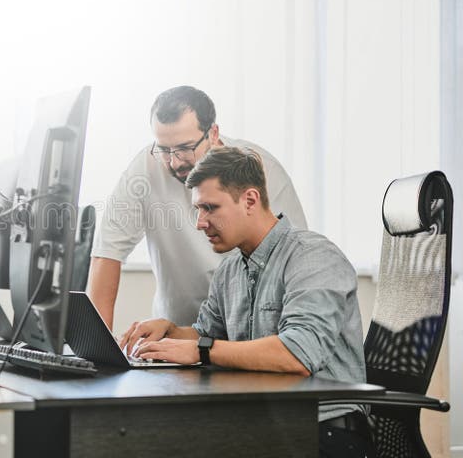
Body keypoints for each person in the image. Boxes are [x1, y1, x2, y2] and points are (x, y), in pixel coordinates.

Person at [119, 146, 372, 458]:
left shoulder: (313, 257)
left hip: (324, 431)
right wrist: (170, 331)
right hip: (268, 422)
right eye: (198, 209)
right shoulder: (231, 267)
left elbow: (298, 354)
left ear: (250, 200)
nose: (200, 222)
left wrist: (200, 349)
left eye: (210, 208)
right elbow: (207, 333)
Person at [88, 86, 307, 330]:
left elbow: (295, 259)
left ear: (213, 133)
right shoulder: (145, 169)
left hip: (247, 336)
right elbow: (108, 250)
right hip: (175, 333)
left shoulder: (261, 170)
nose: (174, 161)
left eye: (184, 148)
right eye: (164, 149)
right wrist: (98, 347)